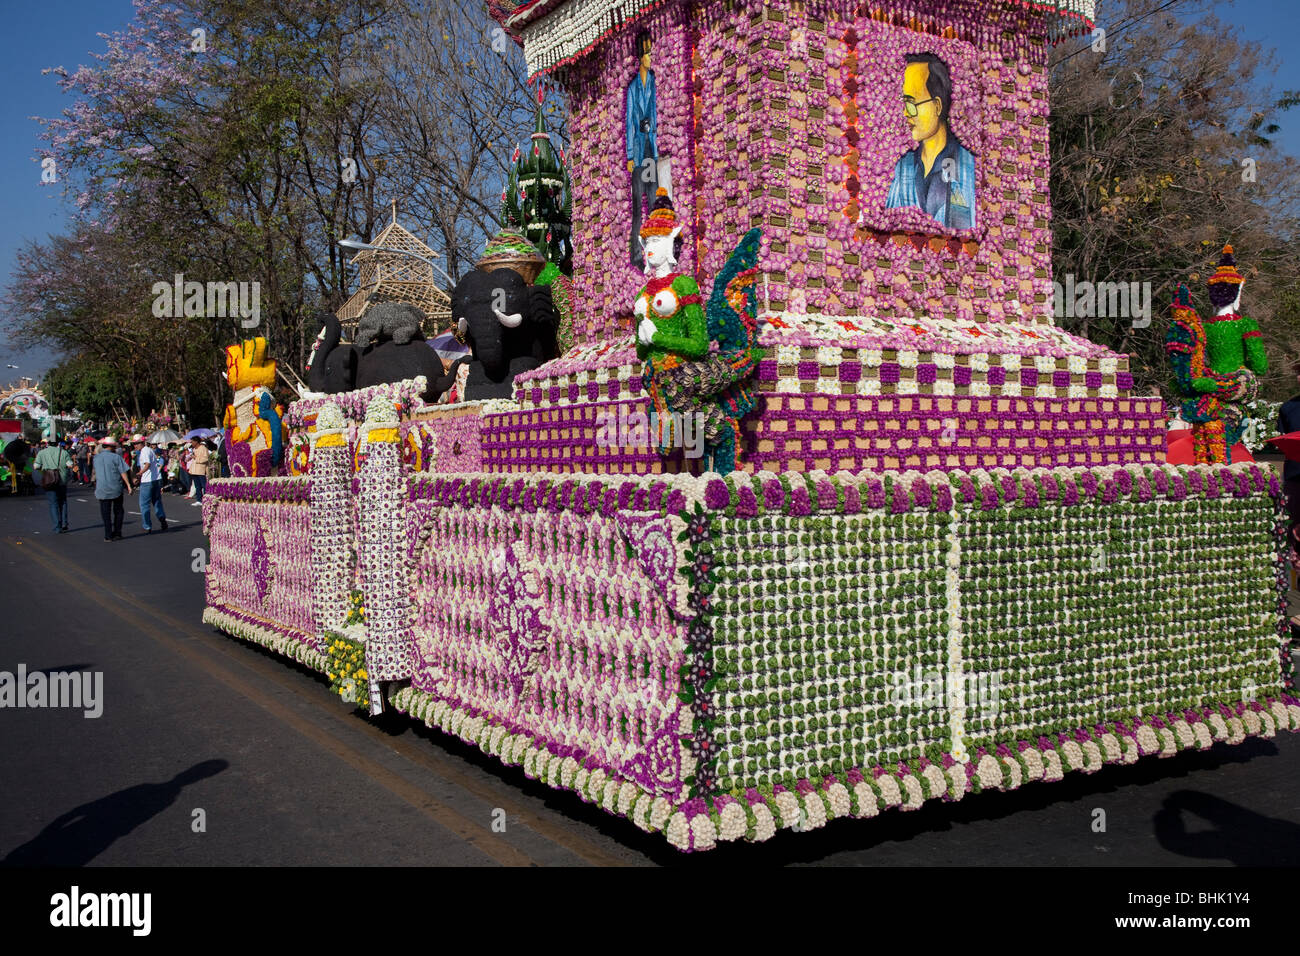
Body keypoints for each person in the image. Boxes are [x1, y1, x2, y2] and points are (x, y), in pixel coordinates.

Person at [885, 52, 977, 230]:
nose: (906, 113)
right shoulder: (903, 167)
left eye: (911, 104)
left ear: (937, 106)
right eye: (904, 104)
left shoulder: (968, 165)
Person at [92, 437, 132, 541]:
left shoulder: (96, 458)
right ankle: (117, 532)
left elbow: (96, 453)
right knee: (118, 511)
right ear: (112, 447)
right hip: (116, 488)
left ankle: (108, 535)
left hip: (102, 489)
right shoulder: (116, 457)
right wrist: (128, 485)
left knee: (106, 514)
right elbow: (123, 472)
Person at [1277, 360, 1300, 533]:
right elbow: (1283, 441)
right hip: (1295, 477)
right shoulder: (1288, 407)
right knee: (1293, 527)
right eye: (1298, 373)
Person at [33, 437, 73, 534]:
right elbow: (70, 465)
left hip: (49, 481)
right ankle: (64, 524)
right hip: (62, 481)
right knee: (62, 502)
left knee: (53, 504)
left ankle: (57, 527)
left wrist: (45, 467)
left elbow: (36, 466)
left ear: (48, 443)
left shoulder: (42, 453)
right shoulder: (63, 452)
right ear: (58, 443)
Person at [132, 434, 168, 533]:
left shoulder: (144, 451)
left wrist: (139, 474)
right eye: (134, 444)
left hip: (147, 481)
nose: (135, 446)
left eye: (137, 443)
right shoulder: (149, 450)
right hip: (156, 479)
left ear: (142, 443)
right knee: (157, 502)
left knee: (144, 505)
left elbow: (147, 464)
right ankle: (162, 519)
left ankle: (147, 526)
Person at [188, 435, 210, 505]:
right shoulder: (194, 449)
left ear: (196, 441)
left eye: (192, 442)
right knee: (197, 486)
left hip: (201, 470)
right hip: (194, 470)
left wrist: (196, 457)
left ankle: (207, 500)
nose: (191, 443)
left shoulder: (203, 448)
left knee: (204, 485)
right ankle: (199, 500)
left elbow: (206, 459)